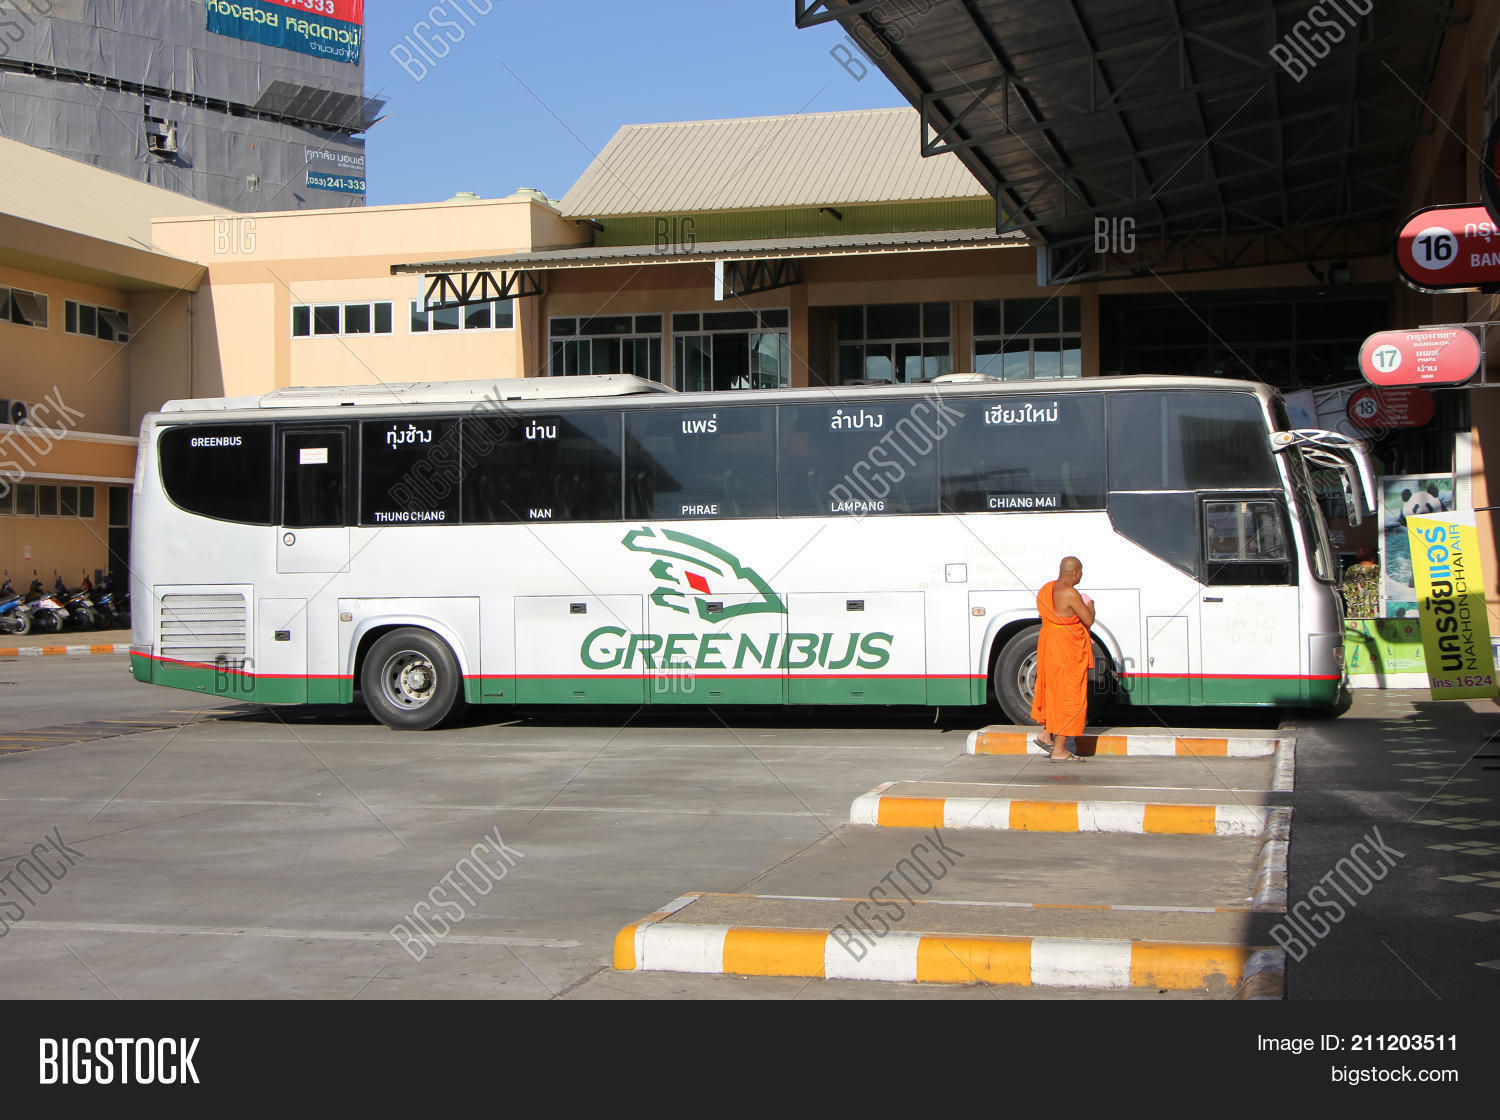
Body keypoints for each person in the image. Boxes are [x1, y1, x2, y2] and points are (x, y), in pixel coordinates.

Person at [1031, 556, 1095, 762]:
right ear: (1075, 572)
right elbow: (1088, 619)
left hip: (1051, 649)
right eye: (1081, 572)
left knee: (1054, 693)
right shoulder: (1070, 593)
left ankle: (1045, 735)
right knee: (1069, 697)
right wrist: (1090, 604)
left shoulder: (1047, 589)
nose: (1081, 575)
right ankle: (1059, 750)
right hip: (1067, 653)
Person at [1341, 545, 1379, 618]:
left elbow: (1346, 588)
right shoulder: (1378, 570)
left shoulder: (1352, 570)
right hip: (1374, 610)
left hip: (1356, 610)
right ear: (1373, 556)